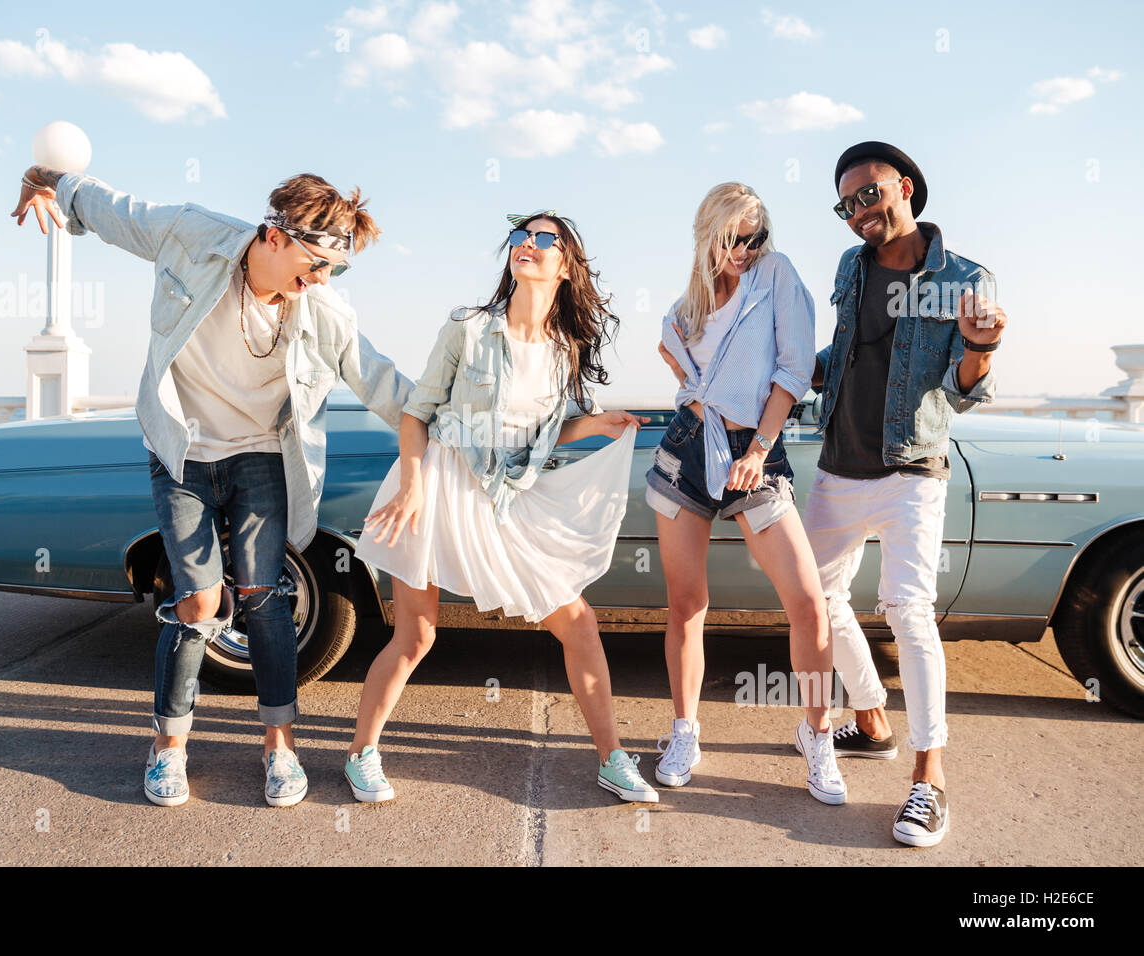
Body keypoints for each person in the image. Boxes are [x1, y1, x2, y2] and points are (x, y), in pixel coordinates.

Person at [10, 166, 413, 809]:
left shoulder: (323, 309)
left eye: (336, 270)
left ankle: (279, 746)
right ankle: (169, 748)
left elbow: (386, 384)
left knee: (263, 598)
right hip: (183, 450)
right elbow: (118, 208)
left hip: (260, 457)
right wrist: (46, 180)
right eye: (316, 265)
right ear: (276, 236)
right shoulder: (193, 236)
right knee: (198, 605)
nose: (322, 281)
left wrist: (465, 436)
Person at [344, 210, 658, 804]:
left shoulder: (565, 348)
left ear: (567, 267)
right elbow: (417, 413)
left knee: (579, 622)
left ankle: (613, 759)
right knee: (416, 636)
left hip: (506, 494)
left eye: (545, 240)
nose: (528, 246)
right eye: (521, 236)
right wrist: (412, 485)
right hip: (438, 483)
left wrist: (596, 423)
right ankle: (362, 753)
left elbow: (543, 431)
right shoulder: (467, 328)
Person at [805, 141, 1006, 846]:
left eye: (870, 194)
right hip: (836, 465)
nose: (860, 211)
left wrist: (979, 349)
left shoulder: (963, 278)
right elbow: (844, 353)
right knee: (817, 601)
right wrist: (784, 369)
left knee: (907, 612)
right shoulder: (849, 268)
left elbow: (959, 389)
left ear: (907, 188)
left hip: (909, 468)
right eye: (847, 203)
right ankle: (872, 718)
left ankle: (929, 780)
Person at [652, 183, 844, 804]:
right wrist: (687, 376)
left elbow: (792, 371)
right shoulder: (688, 304)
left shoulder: (776, 277)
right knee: (687, 603)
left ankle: (818, 737)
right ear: (708, 232)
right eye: (732, 237)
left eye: (754, 237)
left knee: (807, 602)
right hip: (687, 449)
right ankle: (685, 732)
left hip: (756, 451)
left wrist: (758, 450)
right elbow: (687, 371)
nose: (743, 249)